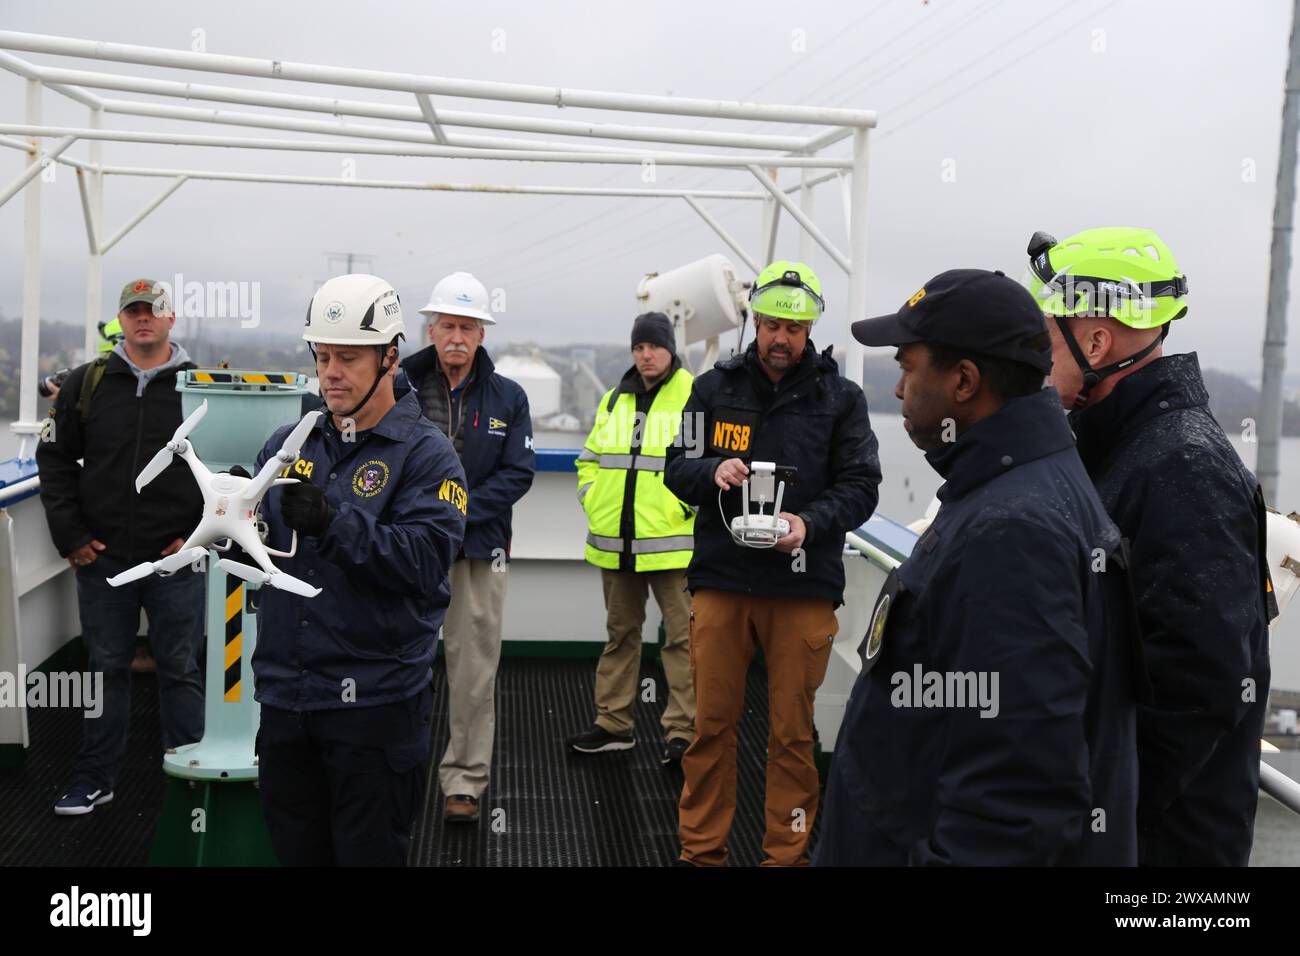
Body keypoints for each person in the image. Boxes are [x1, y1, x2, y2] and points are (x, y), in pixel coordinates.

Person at [815, 268, 1139, 866]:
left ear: (964, 381)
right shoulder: (1017, 488)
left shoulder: (1011, 531)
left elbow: (1015, 809)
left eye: (908, 368)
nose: (897, 389)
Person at [1028, 227, 1273, 866]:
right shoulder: (1127, 445)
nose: (1036, 357)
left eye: (1046, 337)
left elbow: (1200, 679)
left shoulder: (1182, 464)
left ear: (1097, 341)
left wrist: (1097, 812)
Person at [663, 260, 881, 866]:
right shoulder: (712, 389)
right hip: (722, 582)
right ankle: (702, 851)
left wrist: (808, 524)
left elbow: (863, 485)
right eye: (771, 324)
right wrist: (713, 471)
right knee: (710, 727)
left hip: (802, 587)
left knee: (792, 735)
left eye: (794, 326)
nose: (781, 338)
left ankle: (785, 857)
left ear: (810, 327)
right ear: (755, 322)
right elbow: (675, 468)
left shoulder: (842, 399)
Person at [251, 273, 467, 866]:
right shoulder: (286, 444)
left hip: (372, 709)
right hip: (286, 700)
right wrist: (229, 538)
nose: (331, 372)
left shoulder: (427, 455)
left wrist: (334, 520)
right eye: (322, 356)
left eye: (348, 357)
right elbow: (263, 550)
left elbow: (425, 562)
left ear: (391, 357)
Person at [37, 279, 205, 816]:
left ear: (171, 319)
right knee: (104, 666)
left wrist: (195, 535)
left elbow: (226, 467)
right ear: (122, 319)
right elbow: (56, 462)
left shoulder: (199, 386)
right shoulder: (90, 383)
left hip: (173, 555)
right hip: (103, 556)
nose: (143, 320)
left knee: (179, 665)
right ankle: (95, 777)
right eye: (133, 312)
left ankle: (190, 773)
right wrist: (73, 538)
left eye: (152, 312)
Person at [402, 270, 535, 824]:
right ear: (431, 330)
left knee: (473, 670)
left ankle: (464, 783)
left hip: (478, 553)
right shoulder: (398, 388)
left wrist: (457, 512)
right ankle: (393, 772)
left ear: (482, 335)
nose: (456, 336)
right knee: (393, 660)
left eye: (467, 327)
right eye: (447, 325)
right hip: (403, 549)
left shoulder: (509, 397)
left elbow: (518, 473)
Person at [566, 312, 697, 765]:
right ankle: (613, 725)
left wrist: (683, 510)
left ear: (670, 348)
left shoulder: (693, 397)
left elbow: (702, 467)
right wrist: (593, 498)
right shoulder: (613, 401)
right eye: (639, 347)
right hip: (615, 542)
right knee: (621, 634)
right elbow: (589, 461)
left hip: (673, 546)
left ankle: (682, 733)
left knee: (682, 641)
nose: (646, 354)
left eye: (654, 346)